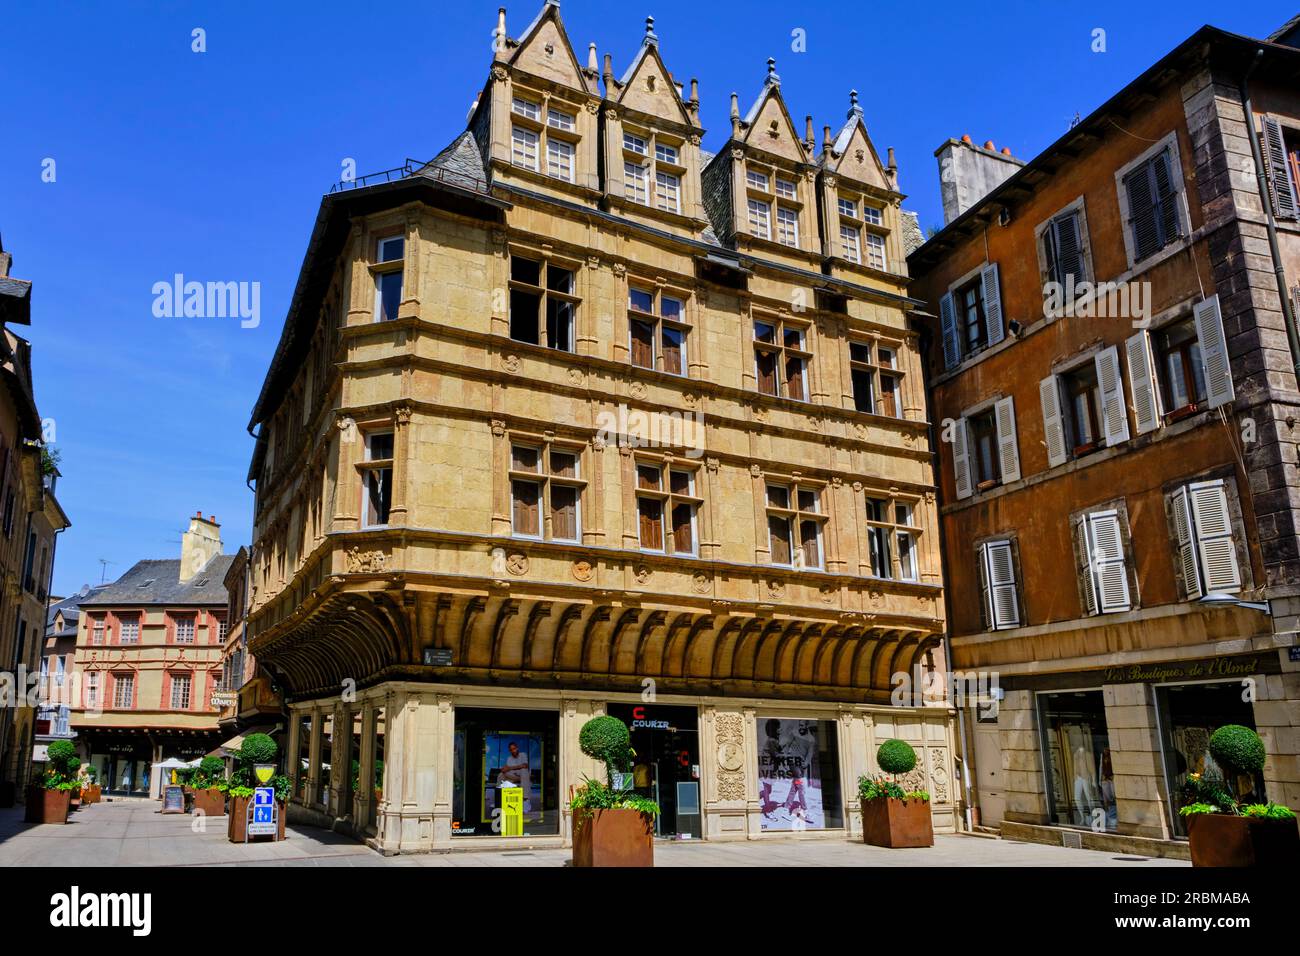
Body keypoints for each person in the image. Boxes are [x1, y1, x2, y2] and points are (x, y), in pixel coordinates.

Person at [497, 741, 532, 815]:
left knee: (524, 770)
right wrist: (504, 769)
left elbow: (525, 765)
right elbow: (507, 768)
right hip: (514, 777)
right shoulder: (509, 758)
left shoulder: (523, 755)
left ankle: (526, 801)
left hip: (523, 776)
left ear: (517, 748)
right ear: (510, 751)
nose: (513, 750)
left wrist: (510, 768)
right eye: (511, 749)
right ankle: (499, 799)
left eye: (514, 748)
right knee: (501, 774)